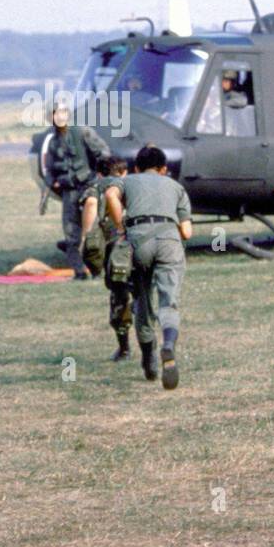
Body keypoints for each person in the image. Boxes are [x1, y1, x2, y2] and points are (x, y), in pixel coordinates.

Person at [104, 144, 192, 390]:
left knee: (142, 301)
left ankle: (149, 360)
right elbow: (187, 231)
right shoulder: (176, 187)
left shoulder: (127, 181)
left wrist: (121, 226)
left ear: (135, 167)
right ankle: (169, 345)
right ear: (163, 169)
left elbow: (110, 195)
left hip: (138, 241)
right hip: (169, 242)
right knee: (169, 301)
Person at [45, 100, 111, 279]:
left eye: (62, 113)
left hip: (89, 187)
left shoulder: (82, 132)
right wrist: (53, 182)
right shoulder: (53, 142)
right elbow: (50, 169)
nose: (59, 117)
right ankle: (79, 271)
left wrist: (100, 176)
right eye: (55, 114)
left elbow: (103, 152)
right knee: (70, 232)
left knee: (95, 230)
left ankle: (98, 270)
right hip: (70, 191)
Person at [79, 157, 134, 361]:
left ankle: (125, 348)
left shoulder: (95, 187)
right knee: (142, 292)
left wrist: (86, 237)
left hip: (114, 252)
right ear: (123, 172)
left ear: (100, 173)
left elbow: (91, 204)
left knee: (119, 298)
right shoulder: (131, 186)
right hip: (138, 245)